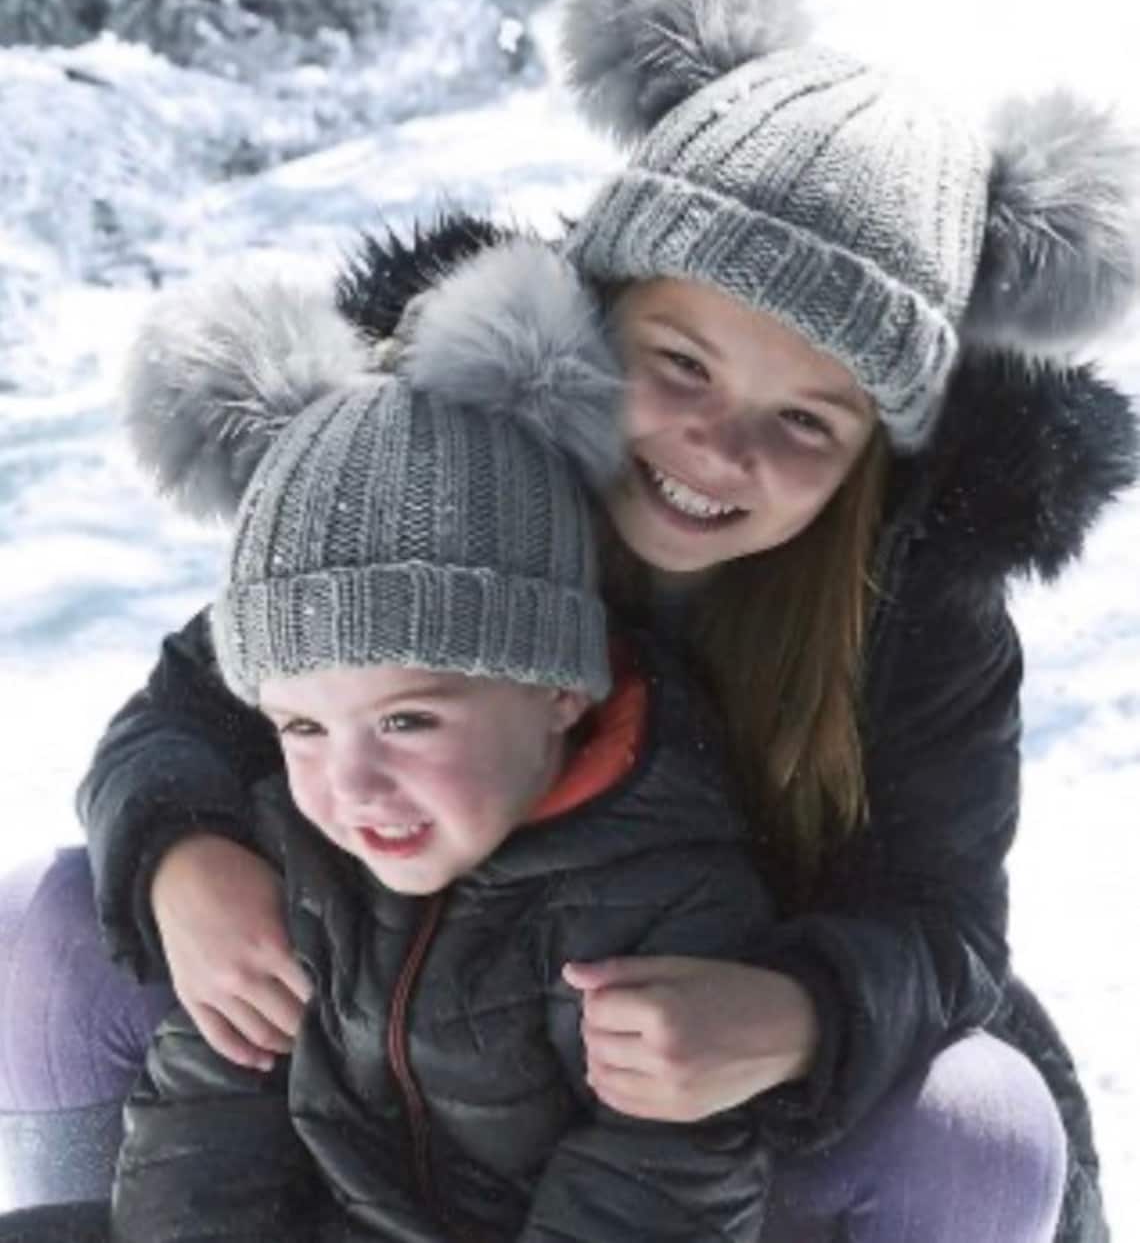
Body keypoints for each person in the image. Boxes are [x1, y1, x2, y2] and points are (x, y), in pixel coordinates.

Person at [1, 0, 1137, 1243]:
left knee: (981, 1121)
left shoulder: (914, 611)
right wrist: (182, 853)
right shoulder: (446, 459)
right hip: (384, 1059)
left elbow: (941, 925)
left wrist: (798, 1012)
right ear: (598, 317)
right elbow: (210, 688)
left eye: (806, 422)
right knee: (69, 913)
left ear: (875, 457)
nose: (718, 446)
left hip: (679, 1114)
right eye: (684, 365)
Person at [0, 239, 774, 1241]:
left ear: (556, 690)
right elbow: (206, 1128)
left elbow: (653, 1193)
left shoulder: (666, 903)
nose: (350, 781)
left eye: (409, 719)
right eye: (301, 726)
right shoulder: (295, 845)